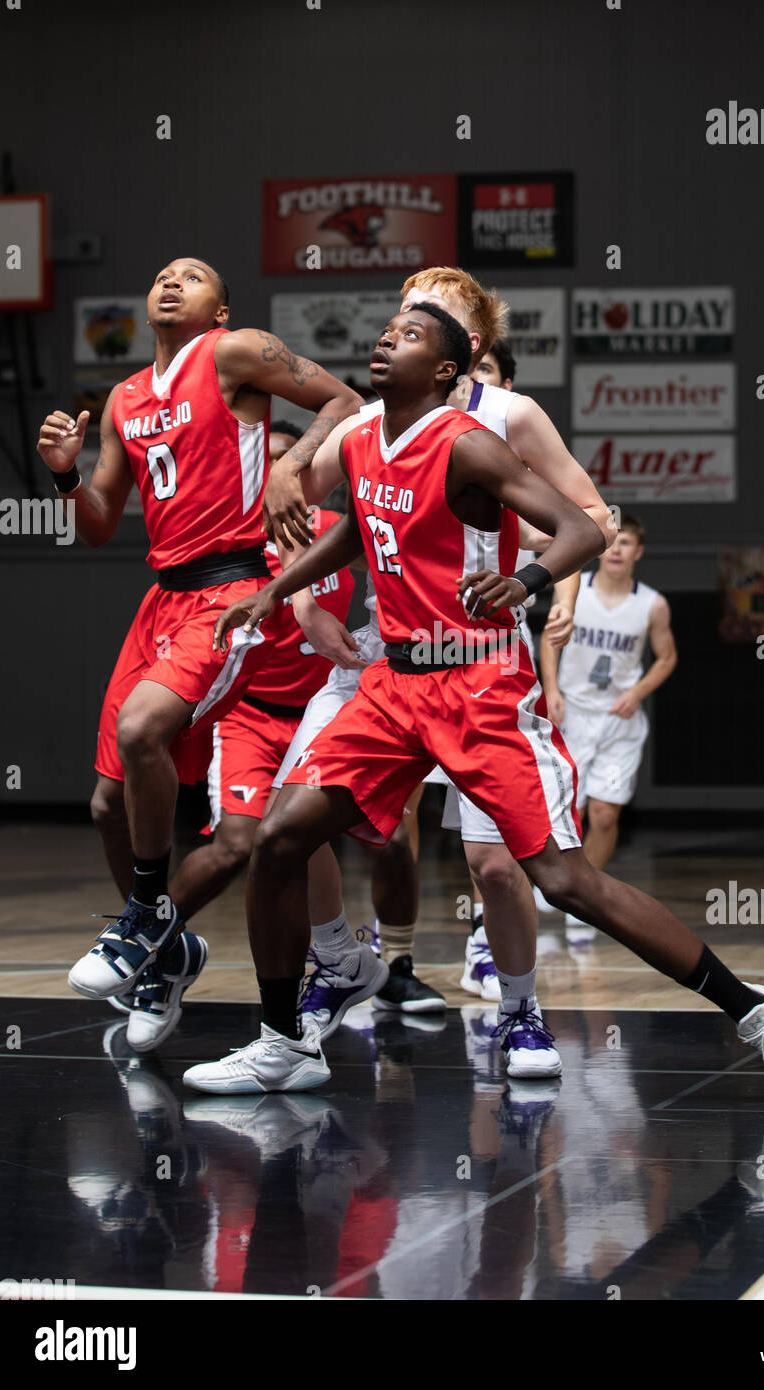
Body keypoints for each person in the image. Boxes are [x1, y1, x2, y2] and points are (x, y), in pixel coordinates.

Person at [184, 302, 764, 1112]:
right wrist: (276, 591)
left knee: (562, 879)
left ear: (450, 372)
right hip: (394, 687)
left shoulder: (469, 444)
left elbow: (581, 527)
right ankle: (284, 1044)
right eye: (388, 328)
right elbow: (356, 531)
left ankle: (758, 1012)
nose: (389, 337)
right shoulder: (358, 439)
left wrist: (526, 583)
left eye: (413, 335)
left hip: (480, 684)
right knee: (280, 839)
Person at [268, 268, 610, 1046]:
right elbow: (306, 513)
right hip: (384, 653)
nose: (402, 323)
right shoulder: (371, 418)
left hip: (479, 653)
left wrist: (520, 564)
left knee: (498, 865)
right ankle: (344, 963)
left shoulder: (507, 416)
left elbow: (588, 515)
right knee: (304, 820)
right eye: (400, 312)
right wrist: (303, 601)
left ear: (466, 348)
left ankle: (520, 1008)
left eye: (426, 317)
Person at [37, 258, 361, 1008]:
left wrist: (293, 467)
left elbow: (345, 400)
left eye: (194, 275)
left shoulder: (233, 353)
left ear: (221, 311)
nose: (172, 281)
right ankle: (167, 954)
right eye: (162, 274)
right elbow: (93, 530)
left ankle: (147, 919)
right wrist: (65, 478)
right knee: (103, 805)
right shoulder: (123, 399)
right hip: (162, 599)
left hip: (233, 591)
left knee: (144, 726)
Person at [538, 517, 677, 944]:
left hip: (619, 723)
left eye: (627, 543)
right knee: (567, 810)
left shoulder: (652, 604)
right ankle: (562, 881)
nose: (617, 550)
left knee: (604, 813)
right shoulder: (575, 592)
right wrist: (552, 689)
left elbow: (667, 657)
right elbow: (547, 638)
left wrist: (637, 691)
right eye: (612, 544)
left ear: (638, 552)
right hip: (574, 715)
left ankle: (587, 897)